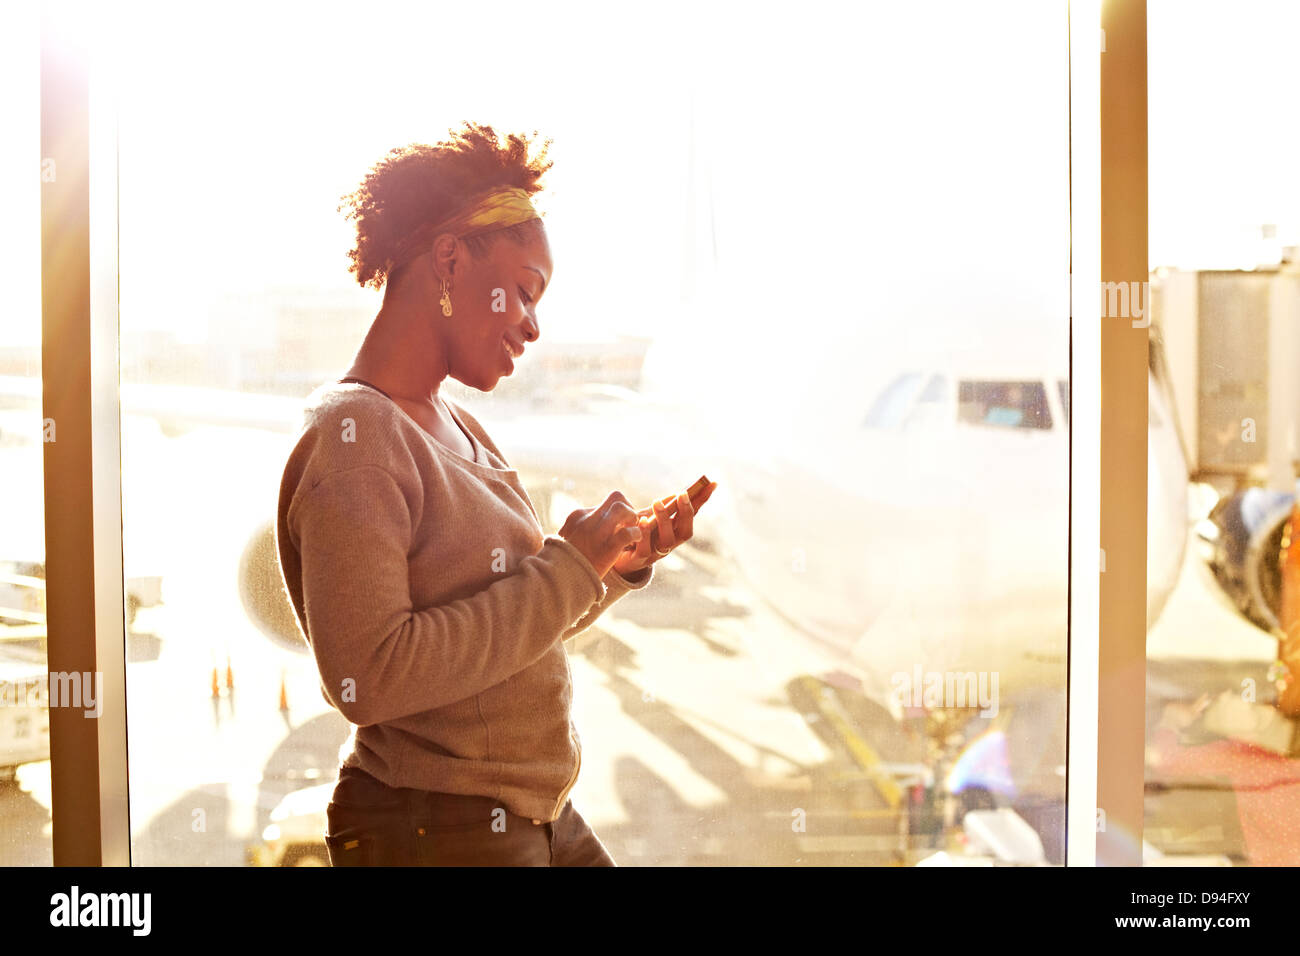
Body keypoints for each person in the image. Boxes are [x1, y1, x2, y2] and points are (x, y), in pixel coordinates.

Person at [274, 123, 715, 866]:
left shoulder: (459, 424)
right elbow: (368, 679)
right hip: (437, 827)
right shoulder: (357, 437)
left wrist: (610, 564)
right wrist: (570, 566)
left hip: (532, 813)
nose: (535, 327)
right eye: (526, 293)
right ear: (449, 260)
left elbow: (509, 629)